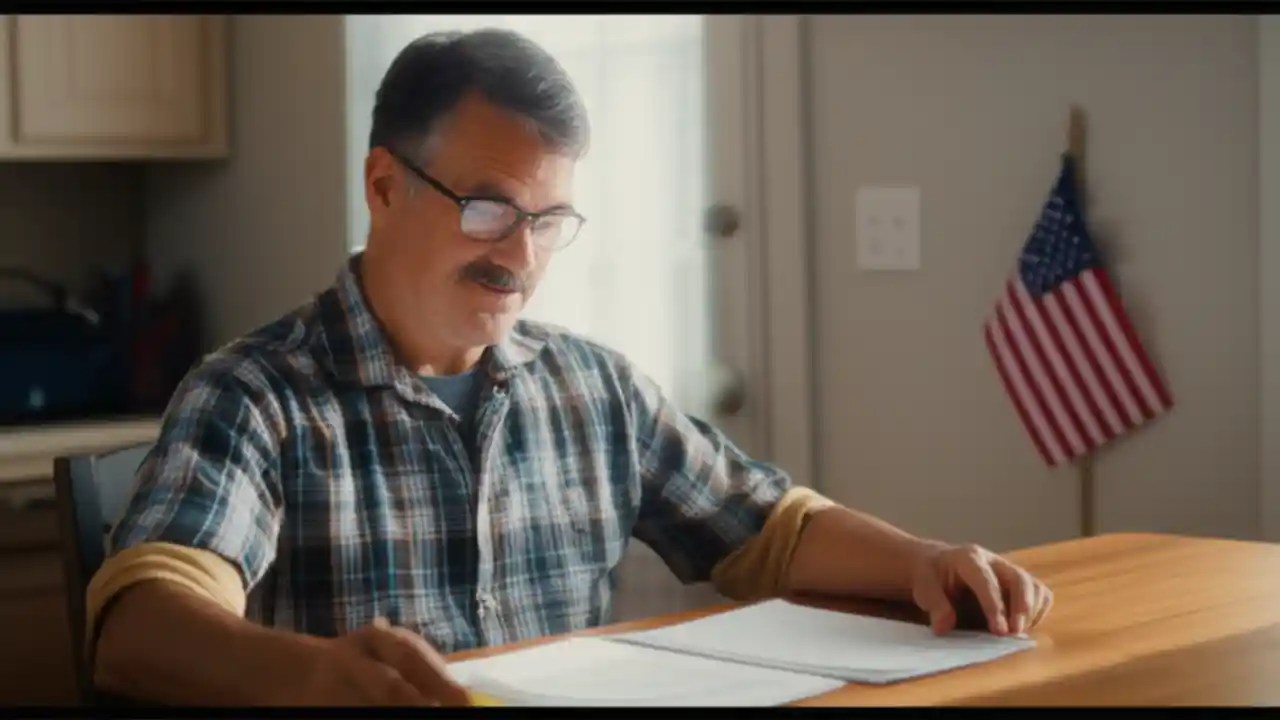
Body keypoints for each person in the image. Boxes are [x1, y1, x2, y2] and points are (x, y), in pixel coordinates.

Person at [87, 28, 1053, 707]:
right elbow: (136, 629)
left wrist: (924, 563)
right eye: (488, 209)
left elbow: (768, 529)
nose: (520, 255)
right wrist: (308, 678)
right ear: (383, 185)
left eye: (549, 221)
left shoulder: (595, 389)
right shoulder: (254, 397)